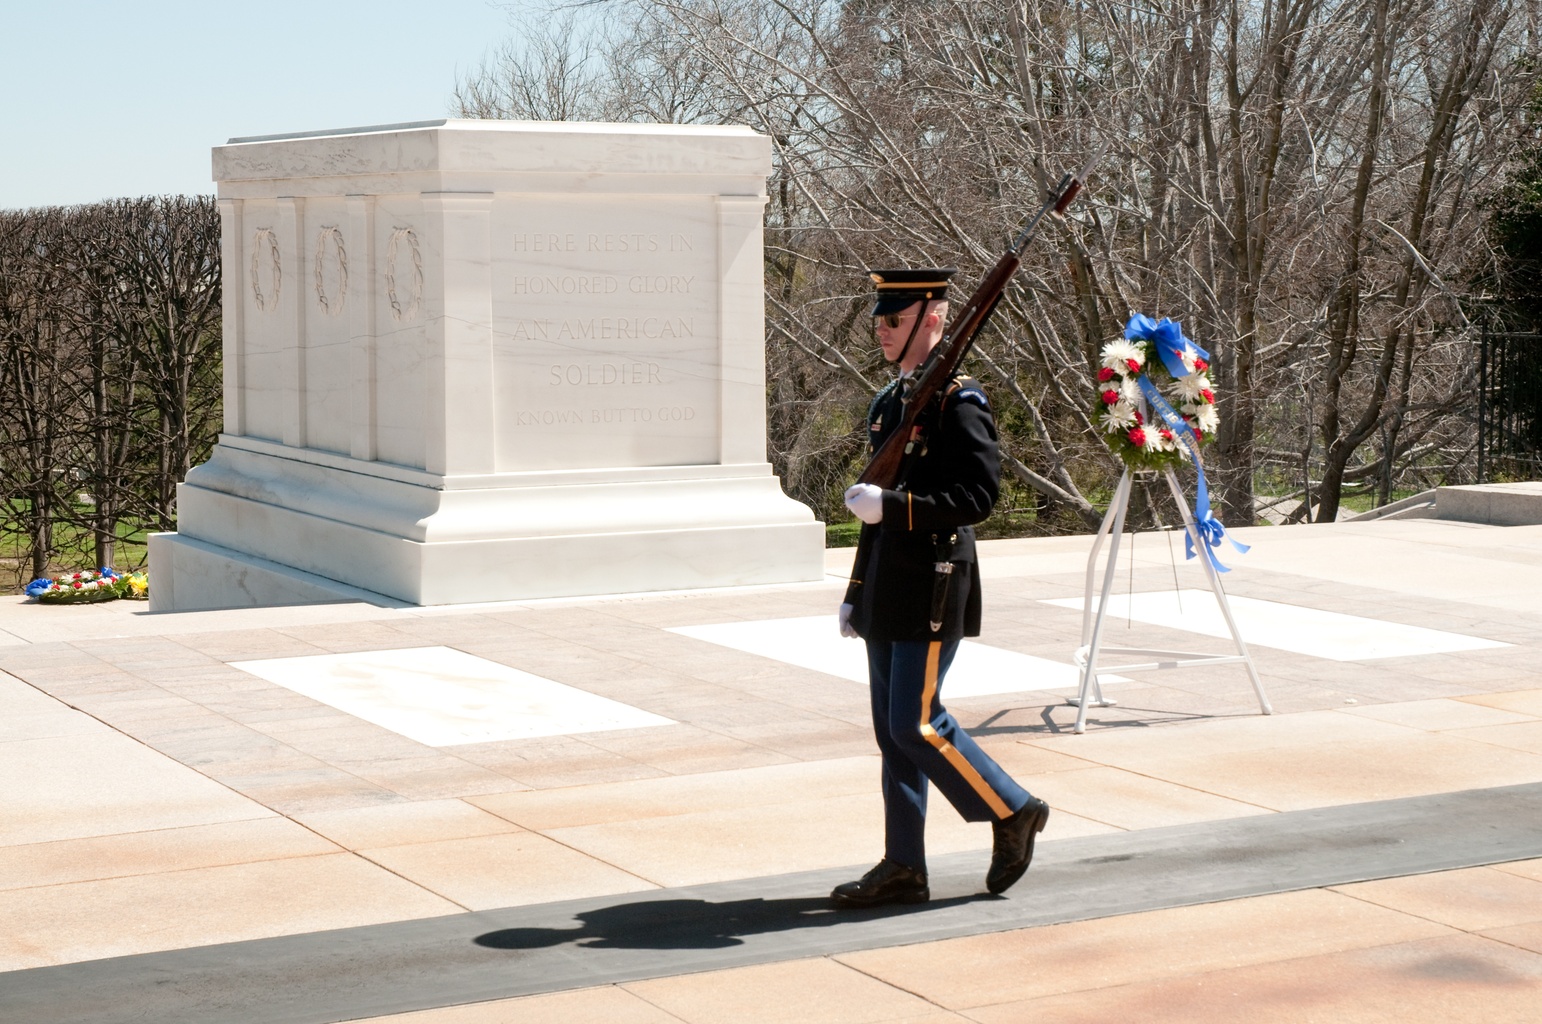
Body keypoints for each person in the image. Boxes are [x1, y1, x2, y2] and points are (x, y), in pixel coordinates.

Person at [832, 268, 1050, 908]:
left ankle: (1012, 808)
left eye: (892, 321)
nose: (880, 329)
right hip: (887, 592)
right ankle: (904, 865)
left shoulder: (959, 402)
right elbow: (876, 505)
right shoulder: (891, 403)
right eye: (879, 320)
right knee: (891, 733)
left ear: (931, 320)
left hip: (933, 585)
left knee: (916, 724)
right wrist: (855, 589)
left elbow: (977, 497)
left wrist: (894, 506)